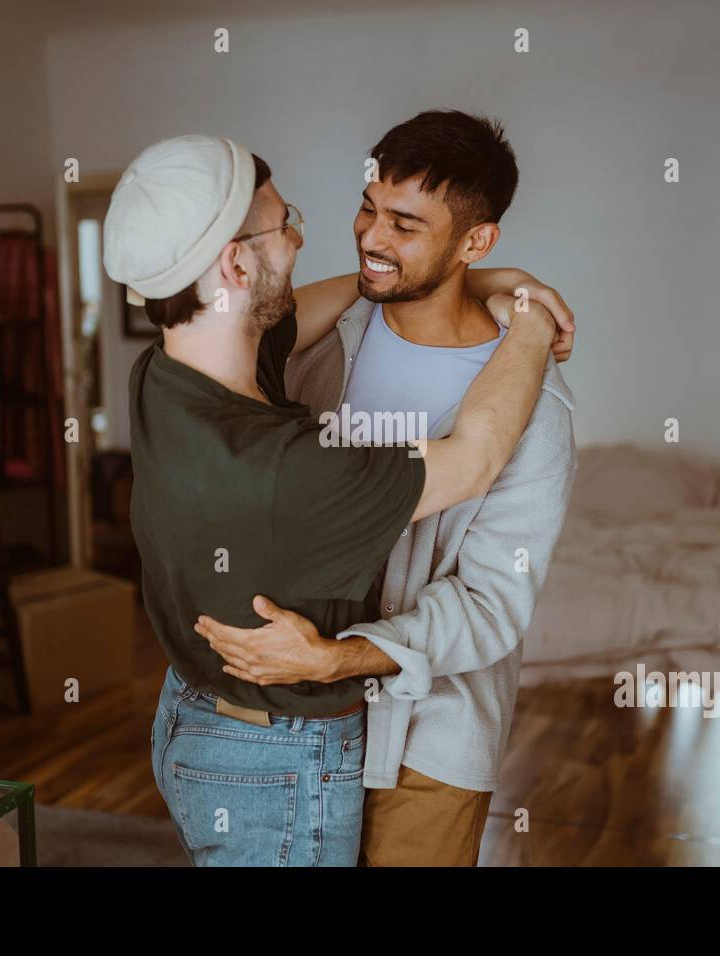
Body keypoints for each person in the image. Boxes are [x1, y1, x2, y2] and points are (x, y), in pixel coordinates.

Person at [104, 133, 571, 866]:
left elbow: (492, 603)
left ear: (473, 239)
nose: (363, 237)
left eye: (404, 223)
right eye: (286, 221)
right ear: (235, 263)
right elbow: (473, 461)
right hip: (282, 748)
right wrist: (536, 318)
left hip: (420, 740)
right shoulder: (294, 443)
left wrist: (484, 281)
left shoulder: (168, 373)